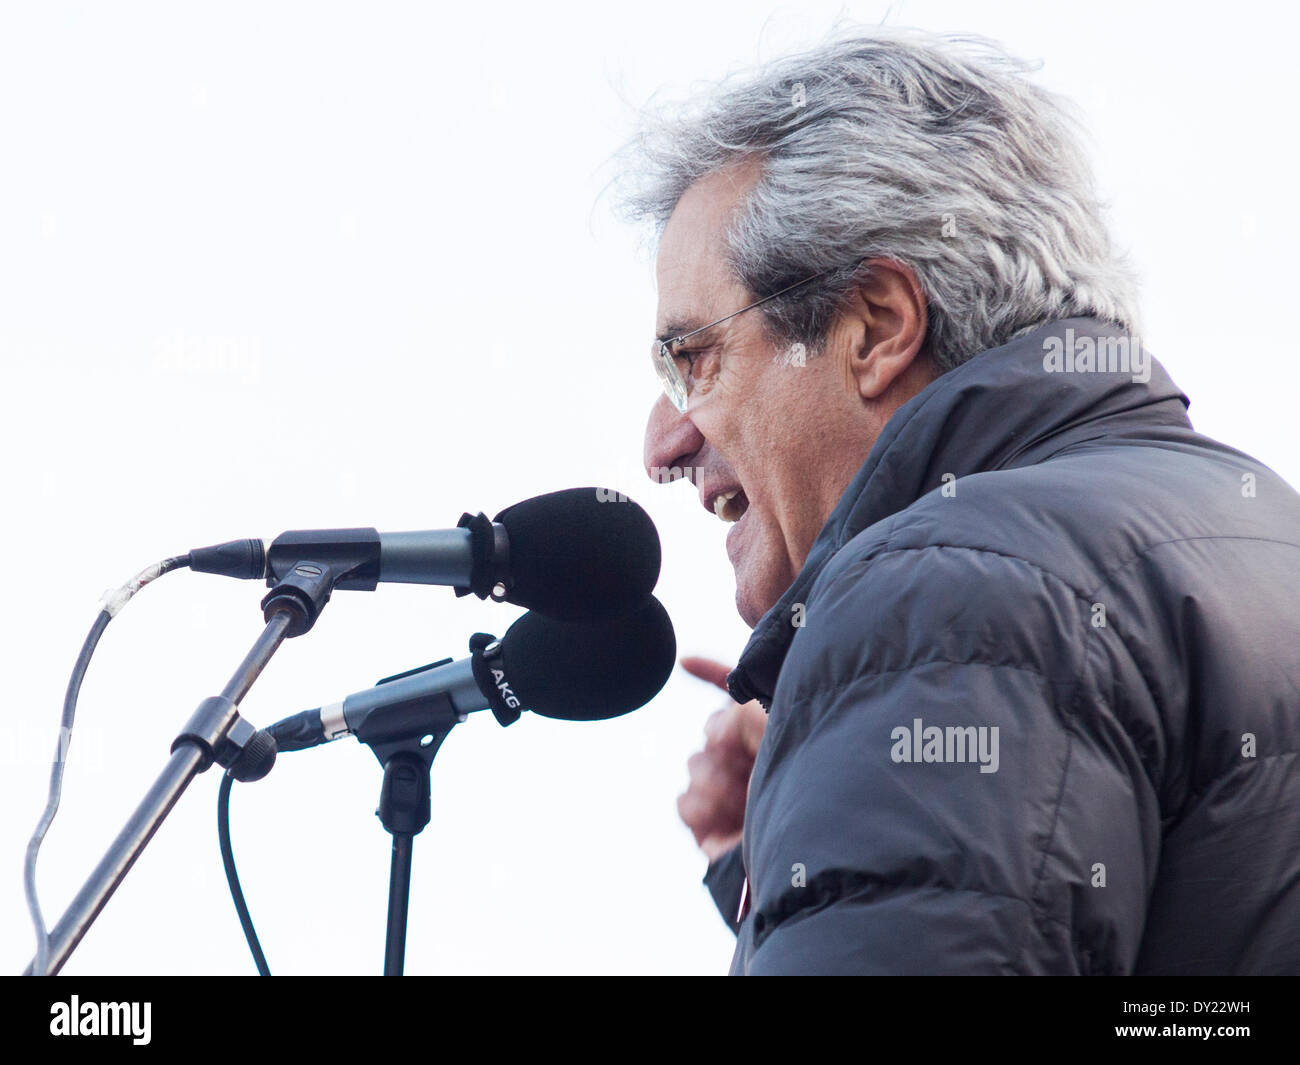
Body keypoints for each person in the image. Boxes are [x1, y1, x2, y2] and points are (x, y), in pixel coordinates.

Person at [620, 26, 1300, 974]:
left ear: (876, 328)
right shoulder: (1264, 533)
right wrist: (798, 856)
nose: (663, 445)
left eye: (693, 360)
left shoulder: (947, 592)